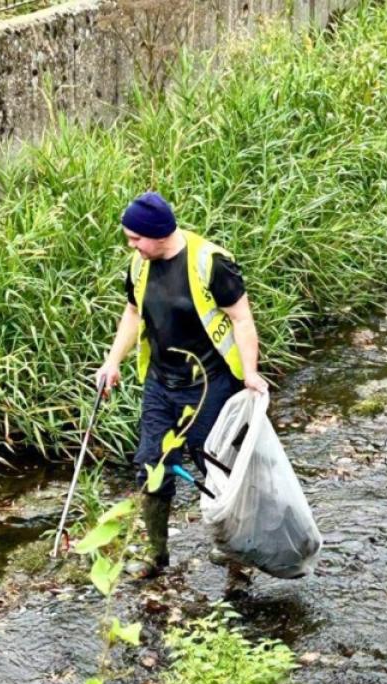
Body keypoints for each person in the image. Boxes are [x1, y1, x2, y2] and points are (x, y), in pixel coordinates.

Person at [95, 191, 268, 579]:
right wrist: (112, 362)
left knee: (218, 470)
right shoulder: (139, 265)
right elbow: (133, 312)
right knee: (151, 466)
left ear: (158, 234)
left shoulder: (209, 262)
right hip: (159, 383)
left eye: (136, 238)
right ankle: (156, 555)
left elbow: (241, 319)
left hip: (209, 386)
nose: (131, 245)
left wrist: (251, 373)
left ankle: (236, 560)